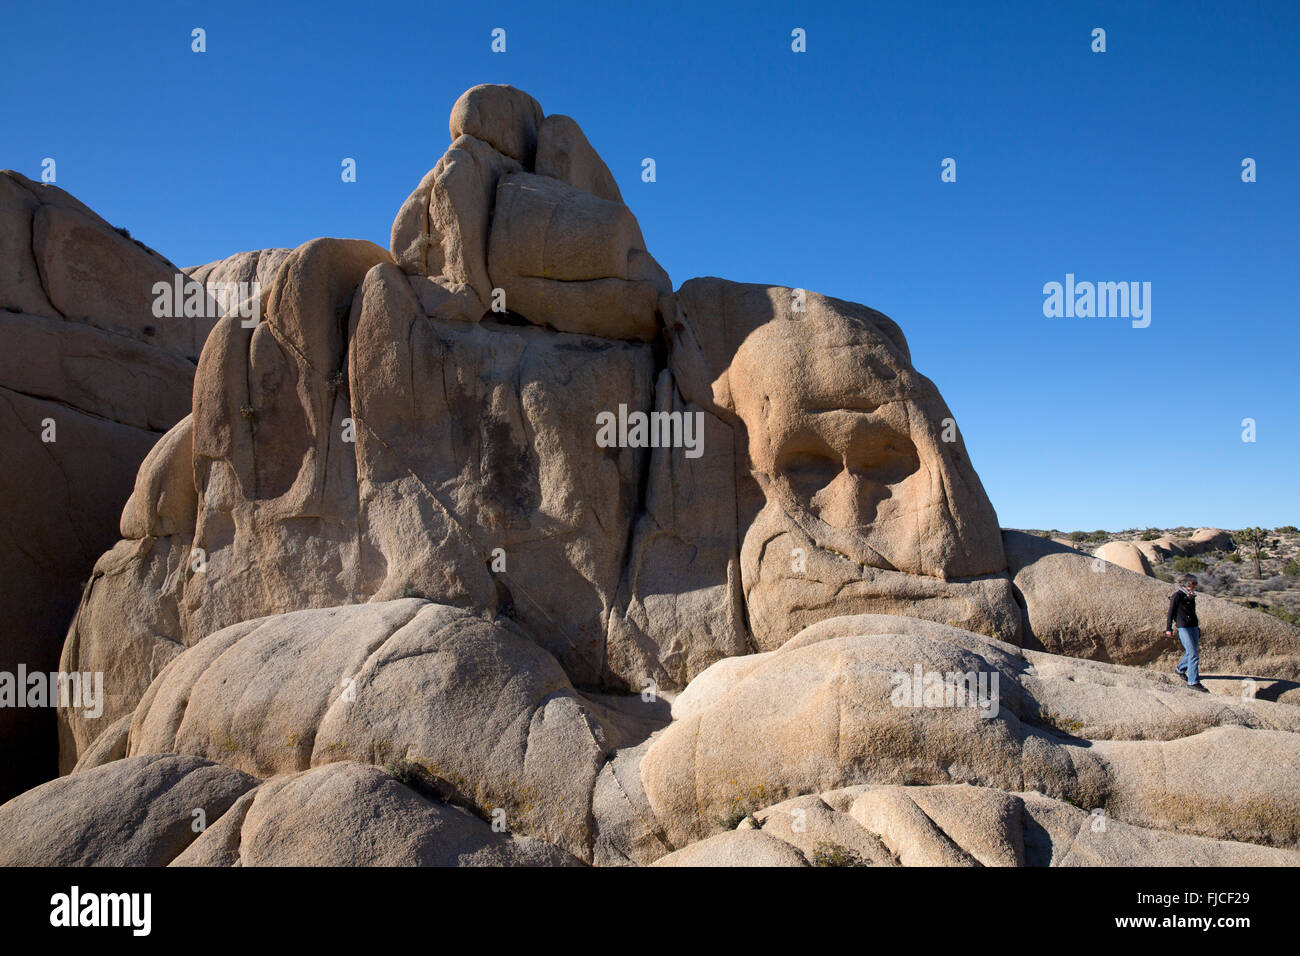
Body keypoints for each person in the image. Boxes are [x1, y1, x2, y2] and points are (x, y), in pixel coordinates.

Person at [1166, 573, 1208, 692]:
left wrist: (1197, 627)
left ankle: (1180, 669)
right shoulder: (1177, 596)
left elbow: (1193, 612)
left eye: (1195, 583)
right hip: (1183, 627)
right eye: (1192, 584)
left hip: (1193, 627)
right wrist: (1168, 628)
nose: (1194, 586)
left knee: (1192, 652)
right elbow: (1171, 613)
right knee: (1193, 654)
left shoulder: (1191, 595)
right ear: (1186, 584)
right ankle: (1193, 682)